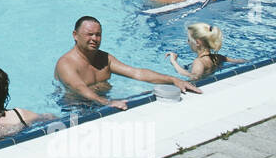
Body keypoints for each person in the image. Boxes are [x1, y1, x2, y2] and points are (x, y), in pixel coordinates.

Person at [55, 15, 200, 110]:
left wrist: (173, 80)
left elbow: (137, 73)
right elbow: (79, 88)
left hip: (103, 102)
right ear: (75, 35)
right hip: (75, 108)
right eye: (89, 34)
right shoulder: (66, 64)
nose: (94, 39)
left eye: (98, 35)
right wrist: (108, 103)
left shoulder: (104, 58)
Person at [167, 22, 247, 80]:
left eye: (189, 40)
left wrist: (174, 62)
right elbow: (240, 61)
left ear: (197, 42)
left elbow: (194, 77)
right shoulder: (217, 57)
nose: (187, 42)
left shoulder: (199, 62)